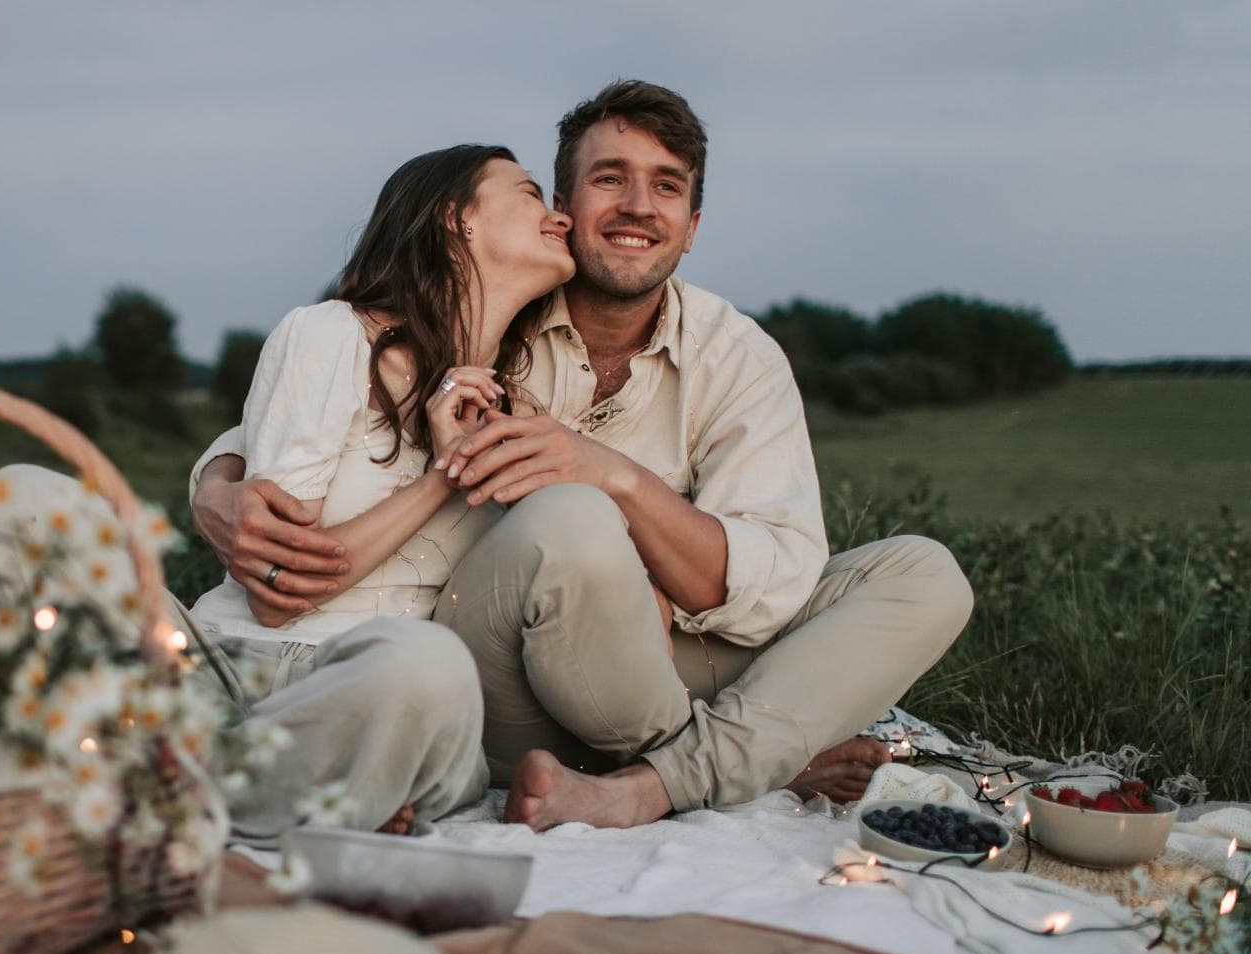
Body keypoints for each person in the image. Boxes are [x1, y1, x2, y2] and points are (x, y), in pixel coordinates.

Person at [190, 79, 975, 831]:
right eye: (609, 178)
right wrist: (218, 482)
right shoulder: (497, 309)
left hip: (653, 654)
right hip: (505, 664)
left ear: (692, 225)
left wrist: (618, 482)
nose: (638, 206)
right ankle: (735, 764)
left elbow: (771, 581)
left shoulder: (737, 358)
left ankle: (665, 776)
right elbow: (339, 402)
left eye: (667, 186)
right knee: (571, 519)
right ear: (564, 211)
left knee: (923, 575)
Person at [0, 144, 575, 842]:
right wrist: (444, 474)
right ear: (454, 218)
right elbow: (279, 591)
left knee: (428, 665)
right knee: (19, 503)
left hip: (367, 694)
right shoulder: (331, 337)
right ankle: (275, 790)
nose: (557, 216)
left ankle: (171, 783)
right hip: (215, 672)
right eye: (529, 192)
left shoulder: (529, 405)